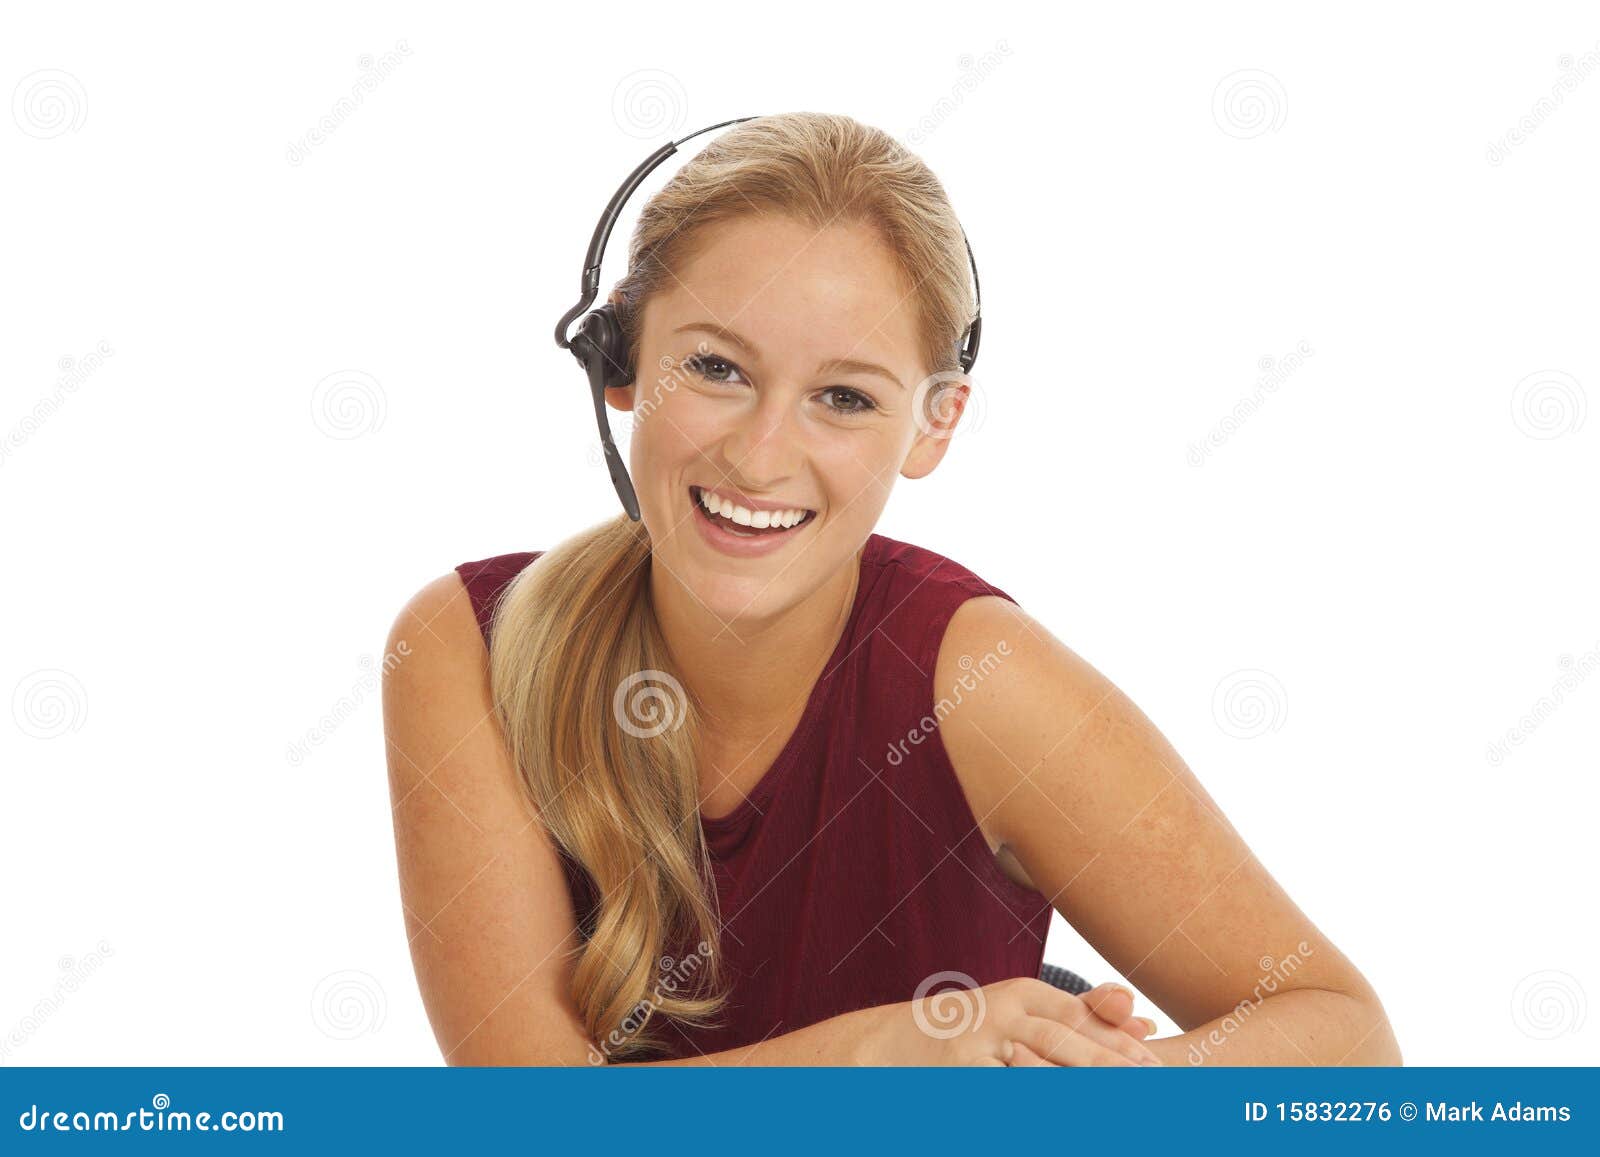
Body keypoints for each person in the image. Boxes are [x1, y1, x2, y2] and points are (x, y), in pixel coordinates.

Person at [382, 111, 1401, 1067]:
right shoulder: (471, 645)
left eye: (843, 396)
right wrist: (875, 1057)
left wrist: (1090, 1086)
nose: (760, 454)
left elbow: (1349, 1037)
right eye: (716, 368)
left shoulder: (979, 683)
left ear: (934, 424)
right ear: (617, 361)